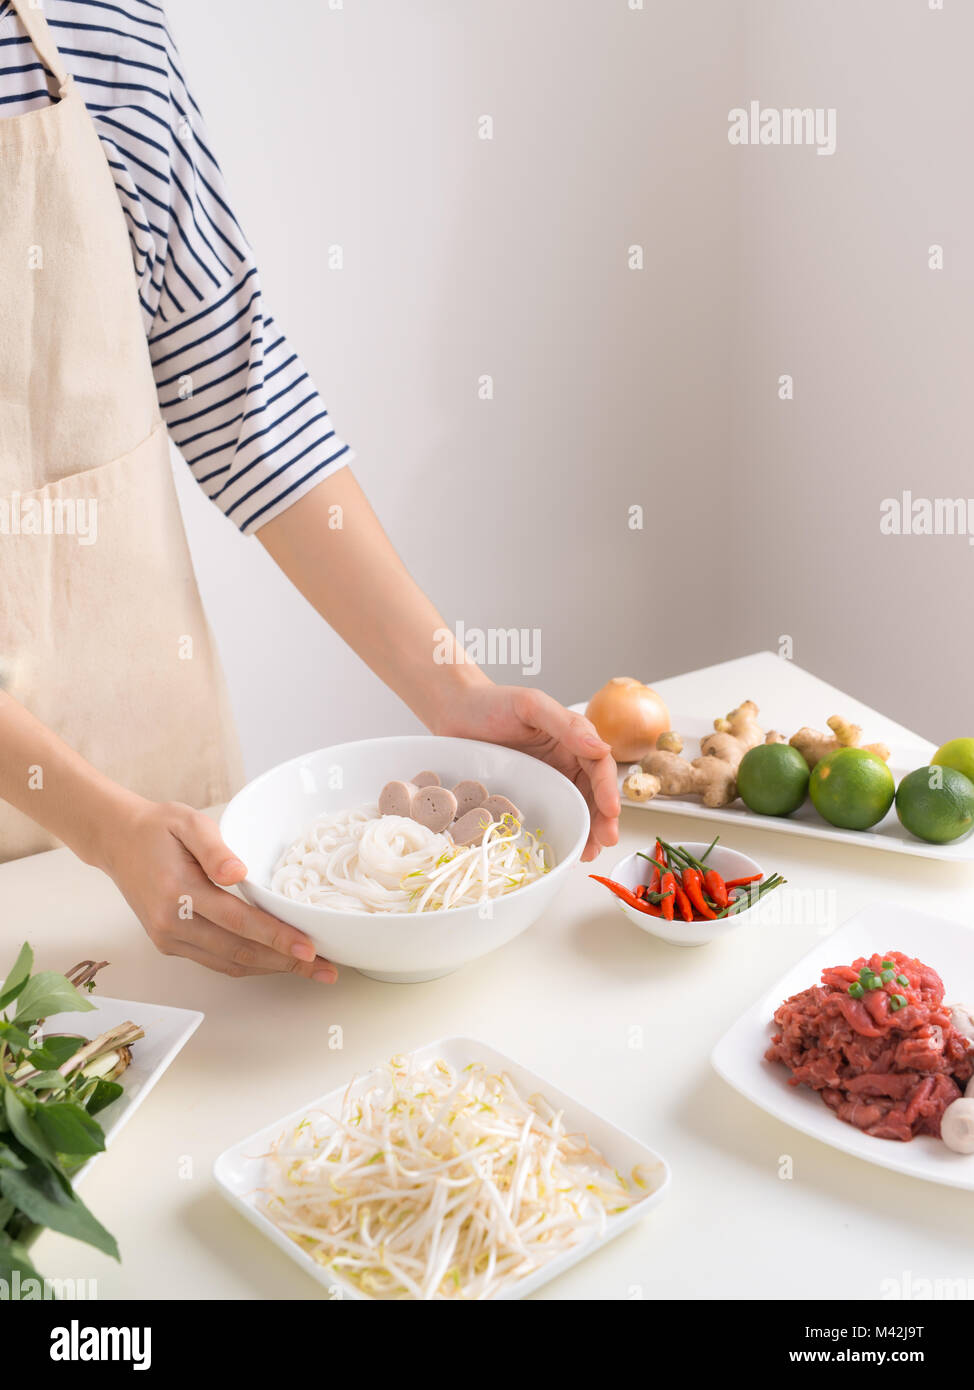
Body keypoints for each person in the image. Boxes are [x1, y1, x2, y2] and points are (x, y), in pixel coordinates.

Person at [0, 0, 619, 983]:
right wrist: (100, 825)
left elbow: (232, 384)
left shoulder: (95, 19)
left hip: (152, 794)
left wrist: (451, 688)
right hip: (117, 824)